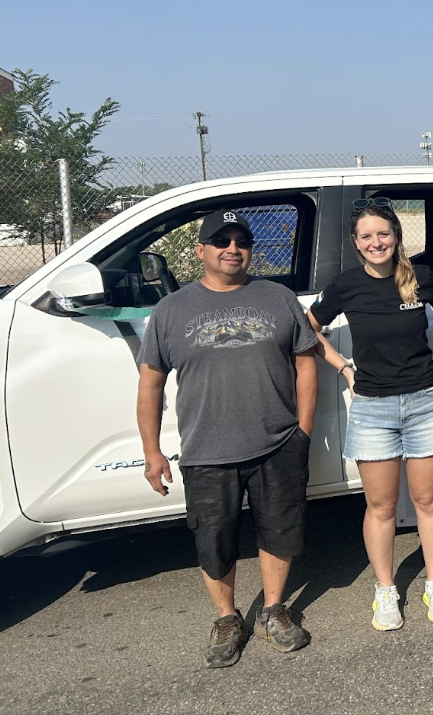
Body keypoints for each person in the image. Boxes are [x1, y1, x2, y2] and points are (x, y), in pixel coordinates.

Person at [137, 209, 318, 668]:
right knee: (214, 538)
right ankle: (227, 617)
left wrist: (303, 431)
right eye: (221, 241)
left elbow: (305, 364)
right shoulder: (172, 310)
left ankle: (274, 609)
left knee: (280, 529)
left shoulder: (277, 297)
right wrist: (152, 450)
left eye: (241, 241)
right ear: (200, 251)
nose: (232, 248)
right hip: (205, 450)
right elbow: (151, 382)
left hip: (277, 442)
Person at [307, 199, 433, 631]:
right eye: (367, 236)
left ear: (396, 236)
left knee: (429, 501)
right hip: (372, 408)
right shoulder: (344, 286)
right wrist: (343, 367)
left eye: (384, 233)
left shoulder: (418, 278)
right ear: (357, 244)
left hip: (425, 404)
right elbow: (309, 328)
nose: (377, 242)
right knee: (381, 506)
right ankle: (385, 591)